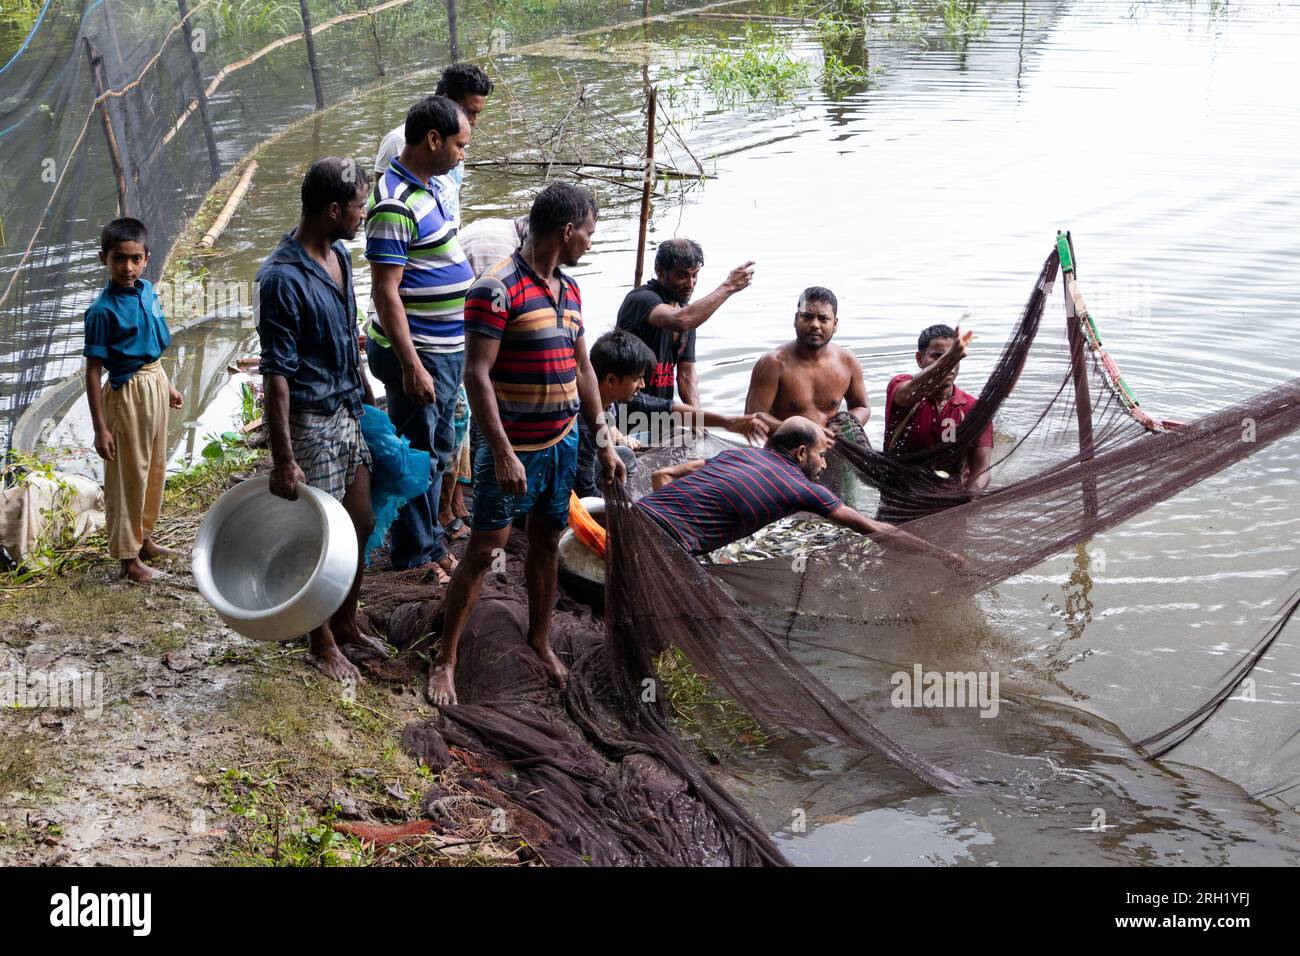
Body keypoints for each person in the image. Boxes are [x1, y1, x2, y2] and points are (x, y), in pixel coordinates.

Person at [428, 183, 625, 706]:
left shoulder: (570, 289)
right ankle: (446, 658)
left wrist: (603, 440)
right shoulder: (495, 289)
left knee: (545, 544)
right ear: (567, 231)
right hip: (511, 449)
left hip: (561, 445)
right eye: (589, 231)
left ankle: (538, 638)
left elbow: (584, 368)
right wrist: (505, 452)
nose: (589, 241)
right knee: (483, 551)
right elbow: (477, 375)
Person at [257, 157, 390, 682]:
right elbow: (276, 376)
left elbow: (347, 334)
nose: (365, 215)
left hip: (348, 410)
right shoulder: (281, 278)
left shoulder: (339, 256)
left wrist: (366, 393)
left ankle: (348, 620)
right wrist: (283, 459)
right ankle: (321, 640)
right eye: (360, 206)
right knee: (321, 535)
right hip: (310, 421)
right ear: (334, 209)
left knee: (361, 521)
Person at [365, 95, 474, 581]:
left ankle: (427, 538)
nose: (462, 154)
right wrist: (411, 365)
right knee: (418, 453)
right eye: (458, 143)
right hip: (419, 354)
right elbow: (386, 292)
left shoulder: (427, 187)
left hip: (445, 350)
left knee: (439, 449)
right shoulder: (394, 203)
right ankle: (415, 552)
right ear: (432, 139)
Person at [637, 418, 949, 564]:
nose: (825, 465)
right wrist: (943, 556)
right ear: (801, 453)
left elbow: (662, 474)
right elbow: (875, 528)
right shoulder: (802, 488)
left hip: (634, 517)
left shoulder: (735, 454)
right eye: (822, 455)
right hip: (659, 547)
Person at [83, 217, 185, 583]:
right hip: (127, 396)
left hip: (154, 382)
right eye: (119, 259)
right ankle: (128, 559)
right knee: (128, 475)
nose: (128, 267)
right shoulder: (101, 311)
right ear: (104, 259)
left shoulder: (147, 292)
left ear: (146, 259)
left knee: (154, 466)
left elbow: (150, 351)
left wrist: (168, 386)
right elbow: (93, 370)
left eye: (135, 259)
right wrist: (100, 428)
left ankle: (144, 538)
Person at [575, 330, 767, 498]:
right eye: (637, 379)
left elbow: (668, 408)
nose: (642, 385)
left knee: (625, 455)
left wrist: (727, 422)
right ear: (611, 380)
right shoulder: (586, 422)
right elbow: (584, 490)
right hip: (576, 482)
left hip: (598, 459)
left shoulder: (611, 399)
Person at [616, 238, 754, 405]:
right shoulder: (640, 299)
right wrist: (728, 287)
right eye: (681, 276)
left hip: (661, 415)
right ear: (660, 271)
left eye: (694, 275)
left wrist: (697, 420)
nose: (690, 284)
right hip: (625, 411)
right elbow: (680, 321)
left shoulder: (688, 312)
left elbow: (686, 375)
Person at [373, 62, 493, 226]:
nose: (473, 121)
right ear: (446, 100)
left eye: (477, 114)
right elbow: (385, 205)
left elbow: (451, 197)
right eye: (469, 112)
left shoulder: (456, 139)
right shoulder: (399, 142)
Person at [745, 286, 870, 439]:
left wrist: (845, 426)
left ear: (835, 324)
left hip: (831, 446)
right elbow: (753, 417)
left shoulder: (848, 361)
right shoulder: (773, 363)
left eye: (823, 319)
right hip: (786, 451)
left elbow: (862, 407)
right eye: (807, 317)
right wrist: (802, 431)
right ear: (796, 319)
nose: (815, 325)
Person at [883, 323, 991, 491]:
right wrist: (951, 357)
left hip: (949, 500)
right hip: (900, 497)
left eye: (953, 358)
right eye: (938, 356)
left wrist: (971, 495)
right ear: (919, 359)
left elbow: (982, 467)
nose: (950, 365)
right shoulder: (901, 387)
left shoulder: (971, 408)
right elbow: (907, 395)